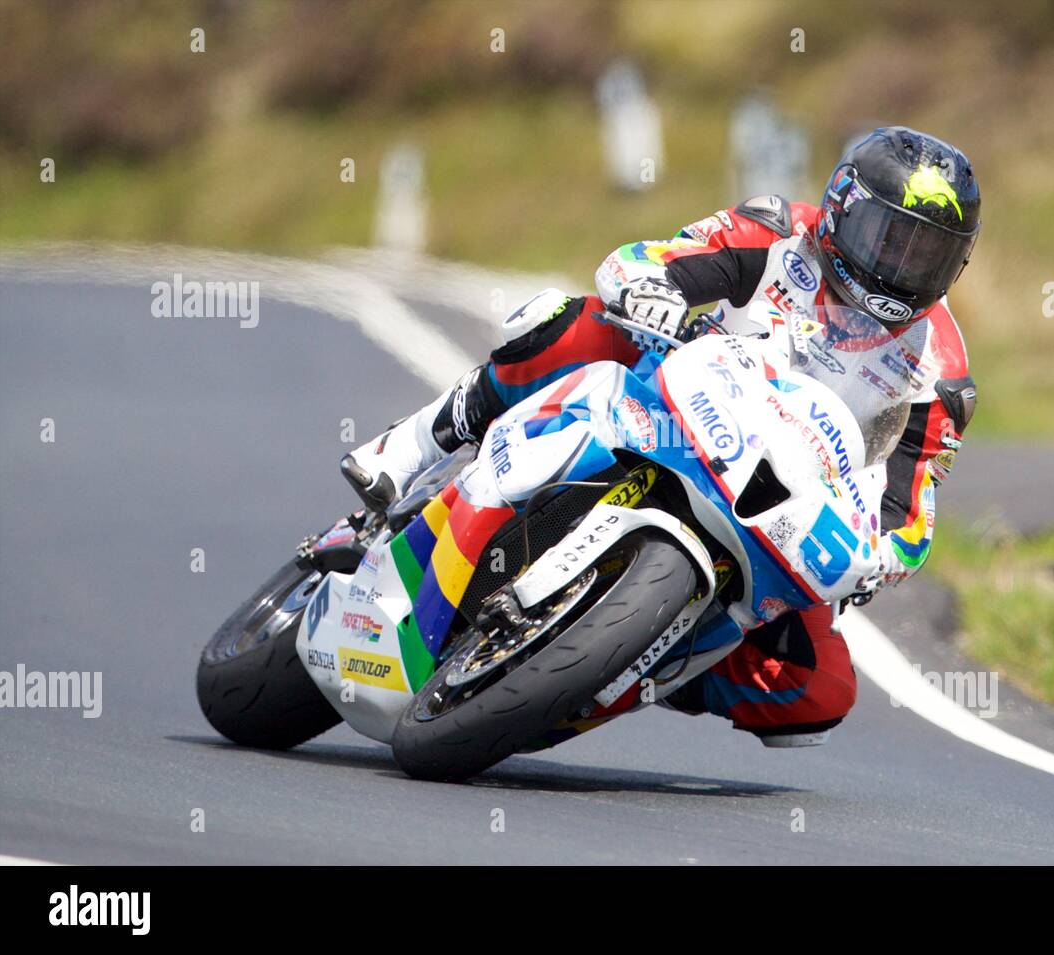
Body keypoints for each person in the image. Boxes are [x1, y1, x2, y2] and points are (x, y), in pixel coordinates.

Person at [341, 126, 981, 747]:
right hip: (675, 406)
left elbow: (908, 511)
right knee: (579, 325)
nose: (901, 266)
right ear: (843, 209)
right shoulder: (779, 233)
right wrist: (652, 291)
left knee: (821, 689)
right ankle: (418, 443)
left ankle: (650, 661)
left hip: (776, 504)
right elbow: (646, 260)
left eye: (928, 254)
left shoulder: (942, 373)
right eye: (889, 239)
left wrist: (880, 559)